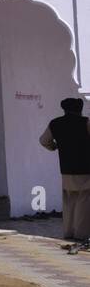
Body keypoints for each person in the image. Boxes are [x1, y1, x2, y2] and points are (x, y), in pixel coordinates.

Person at [38, 97, 90, 242]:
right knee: (83, 202)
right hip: (85, 169)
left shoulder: (55, 123)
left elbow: (43, 140)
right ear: (79, 110)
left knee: (69, 201)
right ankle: (81, 235)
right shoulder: (86, 122)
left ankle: (68, 233)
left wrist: (54, 146)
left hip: (66, 169)